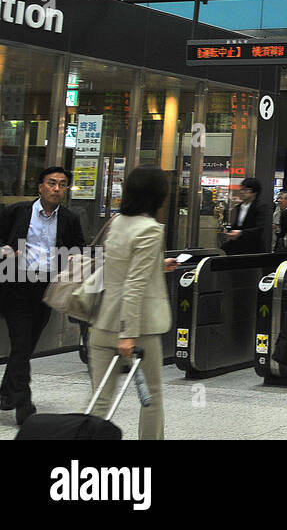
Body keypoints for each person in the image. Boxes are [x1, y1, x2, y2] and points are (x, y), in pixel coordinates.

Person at [87, 166, 179, 440]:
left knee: (100, 400)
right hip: (137, 331)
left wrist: (156, 266)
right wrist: (128, 335)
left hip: (103, 322)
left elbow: (120, 269)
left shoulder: (116, 222)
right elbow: (134, 285)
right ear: (158, 196)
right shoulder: (150, 229)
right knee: (150, 397)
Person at [0, 166, 87, 424]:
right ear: (40, 187)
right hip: (17, 283)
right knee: (21, 342)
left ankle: (6, 392)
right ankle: (24, 404)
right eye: (51, 183)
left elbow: (78, 246)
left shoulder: (70, 218)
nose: (56, 188)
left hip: (48, 287)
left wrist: (73, 256)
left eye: (61, 184)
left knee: (25, 345)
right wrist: (5, 250)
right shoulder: (18, 212)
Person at [222, 177, 268, 254]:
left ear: (254, 192)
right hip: (237, 246)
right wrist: (229, 230)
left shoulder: (260, 207)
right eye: (242, 189)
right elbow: (235, 225)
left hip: (253, 247)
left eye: (246, 190)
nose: (242, 192)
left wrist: (241, 232)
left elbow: (259, 229)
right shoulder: (238, 207)